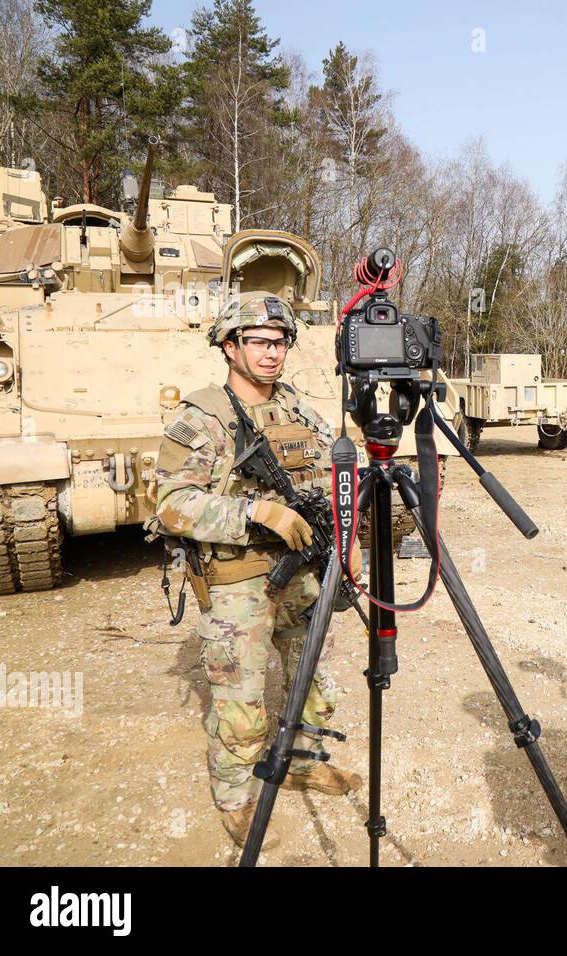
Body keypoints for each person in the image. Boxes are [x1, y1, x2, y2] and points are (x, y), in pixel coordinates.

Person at [150, 291, 362, 848]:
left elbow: (325, 478)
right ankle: (237, 798)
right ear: (229, 345)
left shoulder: (297, 408)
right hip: (238, 579)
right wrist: (254, 511)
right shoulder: (203, 418)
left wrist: (348, 538)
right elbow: (170, 504)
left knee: (311, 677)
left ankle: (301, 761)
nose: (273, 353)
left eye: (281, 341)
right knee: (240, 700)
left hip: (303, 568)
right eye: (259, 342)